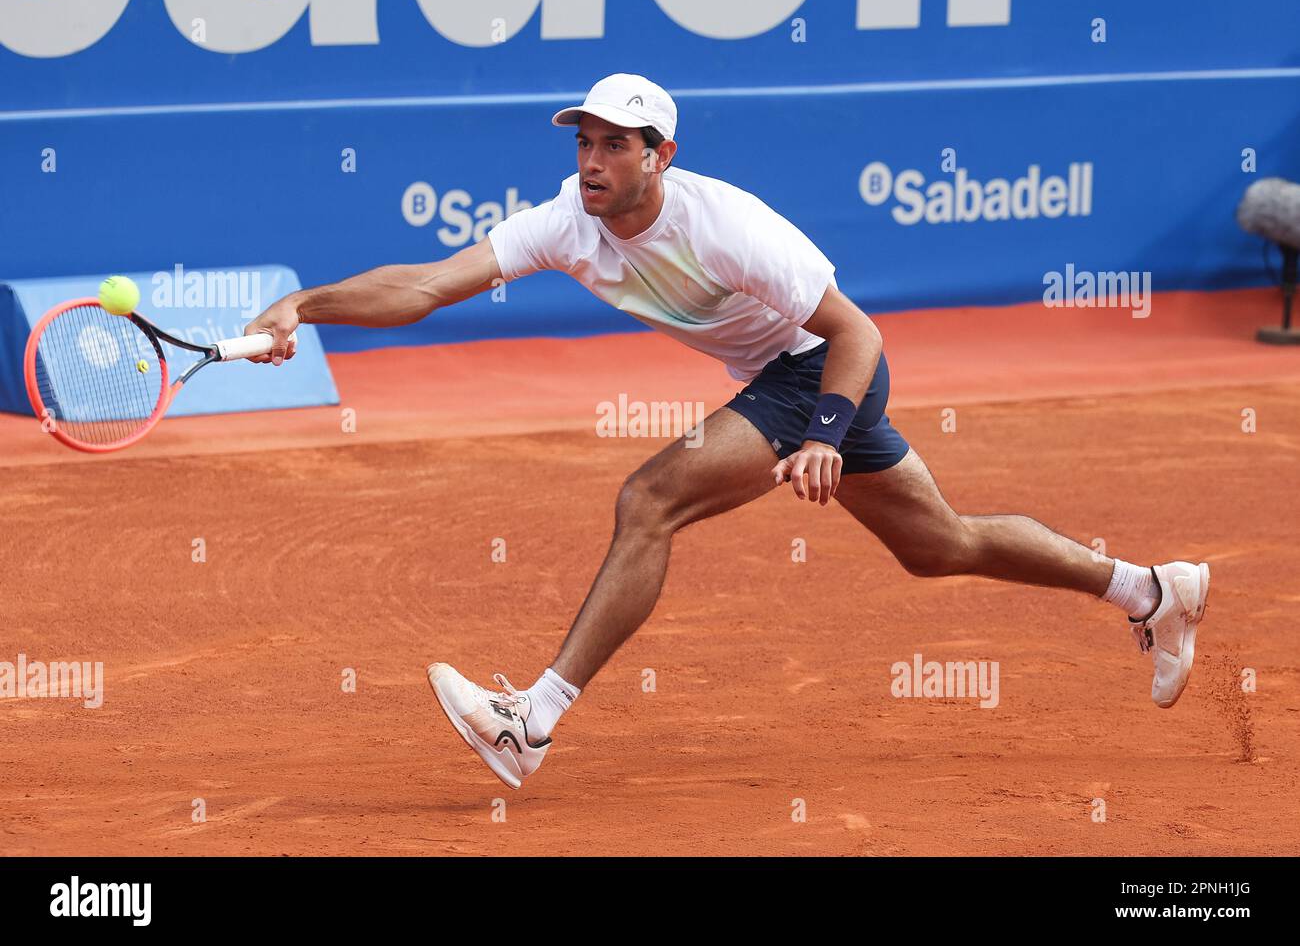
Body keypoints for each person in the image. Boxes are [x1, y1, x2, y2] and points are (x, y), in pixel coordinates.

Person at [245, 73, 1210, 790]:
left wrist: (826, 432)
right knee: (938, 544)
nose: (591, 160)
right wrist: (304, 304)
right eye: (584, 140)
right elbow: (427, 283)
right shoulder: (564, 221)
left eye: (615, 145)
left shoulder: (728, 226)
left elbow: (856, 331)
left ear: (658, 157)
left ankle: (529, 722)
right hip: (775, 381)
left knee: (648, 499)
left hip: (818, 374)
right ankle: (1152, 590)